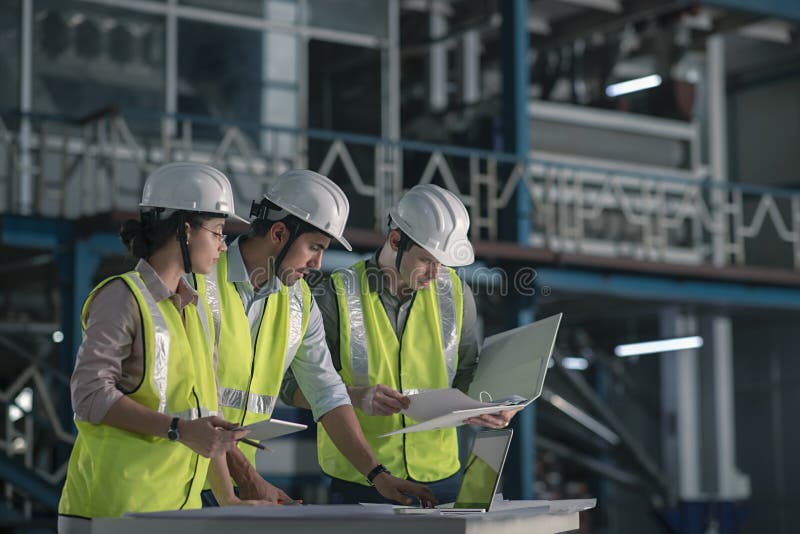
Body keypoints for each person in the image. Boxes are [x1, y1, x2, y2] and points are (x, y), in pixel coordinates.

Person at [193, 169, 435, 507]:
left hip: (229, 484)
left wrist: (377, 475)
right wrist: (248, 479)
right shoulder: (199, 282)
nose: (318, 263)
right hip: (183, 473)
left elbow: (326, 393)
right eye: (314, 247)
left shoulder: (299, 301)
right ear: (279, 233)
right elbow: (192, 399)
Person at [58, 163, 270, 534]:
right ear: (185, 229)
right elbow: (89, 395)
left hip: (177, 514)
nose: (224, 245)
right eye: (218, 232)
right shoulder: (121, 297)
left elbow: (205, 410)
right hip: (112, 513)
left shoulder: (197, 308)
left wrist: (228, 499)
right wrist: (180, 429)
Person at [281, 184, 519, 504]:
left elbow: (466, 372)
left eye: (443, 263)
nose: (435, 274)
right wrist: (355, 396)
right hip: (361, 479)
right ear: (395, 241)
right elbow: (289, 384)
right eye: (426, 260)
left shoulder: (457, 295)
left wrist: (491, 405)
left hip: (442, 476)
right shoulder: (333, 294)